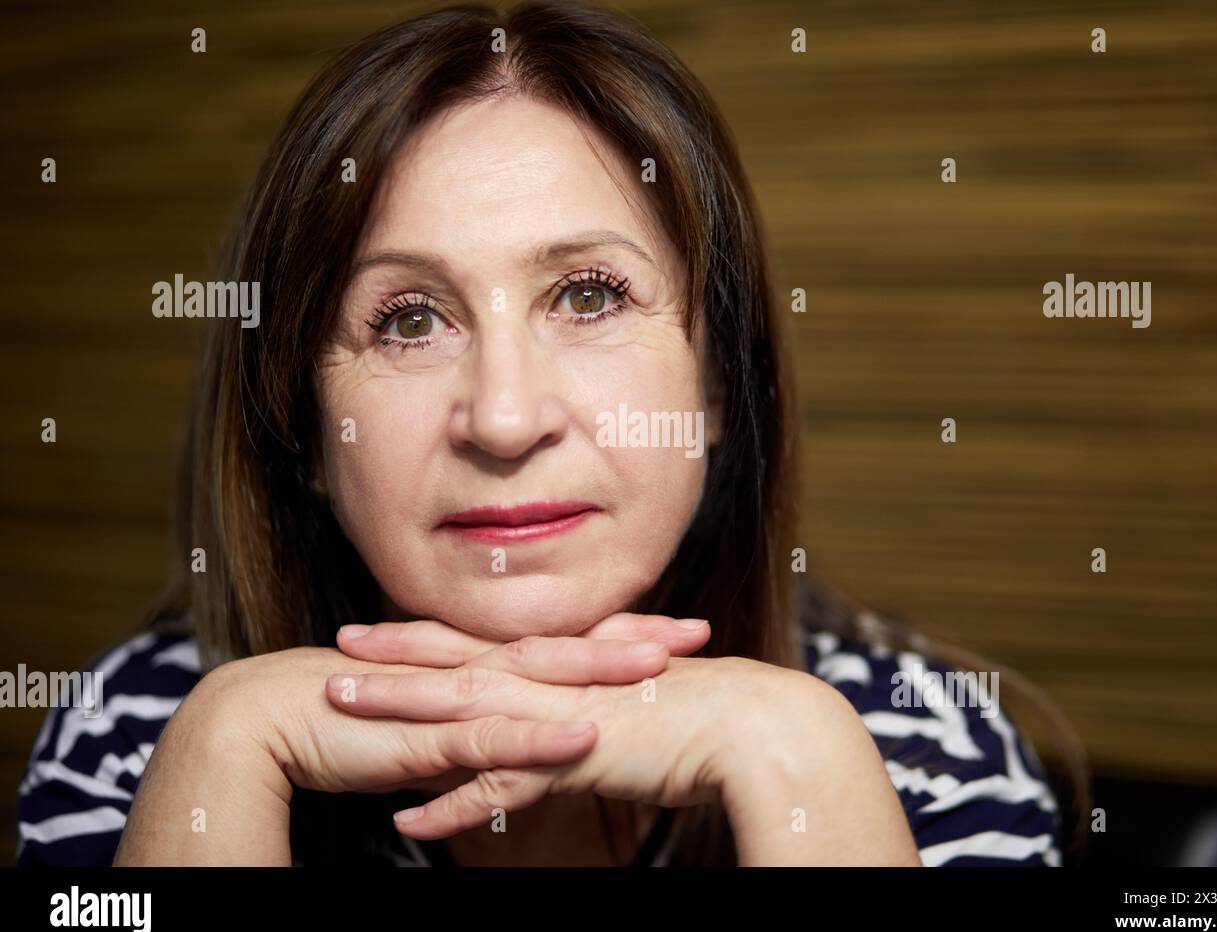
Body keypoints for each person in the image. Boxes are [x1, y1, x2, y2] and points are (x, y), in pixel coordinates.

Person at [16, 1, 1081, 867]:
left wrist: (798, 760)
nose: (508, 419)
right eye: (409, 319)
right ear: (302, 420)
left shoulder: (925, 746)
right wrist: (220, 755)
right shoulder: (134, 733)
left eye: (588, 295)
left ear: (717, 383)